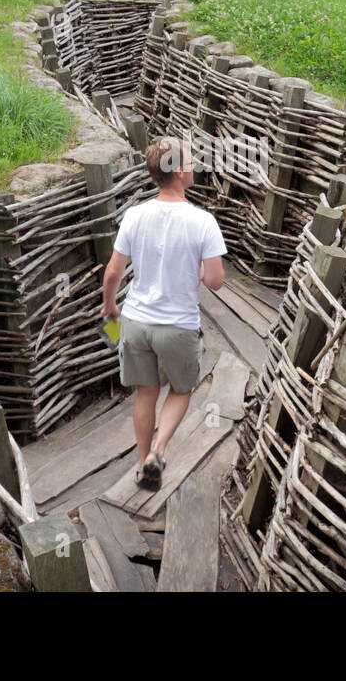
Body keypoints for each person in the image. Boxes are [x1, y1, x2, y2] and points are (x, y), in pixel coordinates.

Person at [101, 135, 226, 490]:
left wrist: (110, 306)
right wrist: (198, 269)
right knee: (182, 390)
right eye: (190, 161)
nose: (194, 167)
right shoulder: (203, 222)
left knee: (145, 392)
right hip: (178, 325)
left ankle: (142, 465)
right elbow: (216, 281)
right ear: (180, 171)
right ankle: (159, 449)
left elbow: (113, 272)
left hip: (136, 321)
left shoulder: (135, 215)